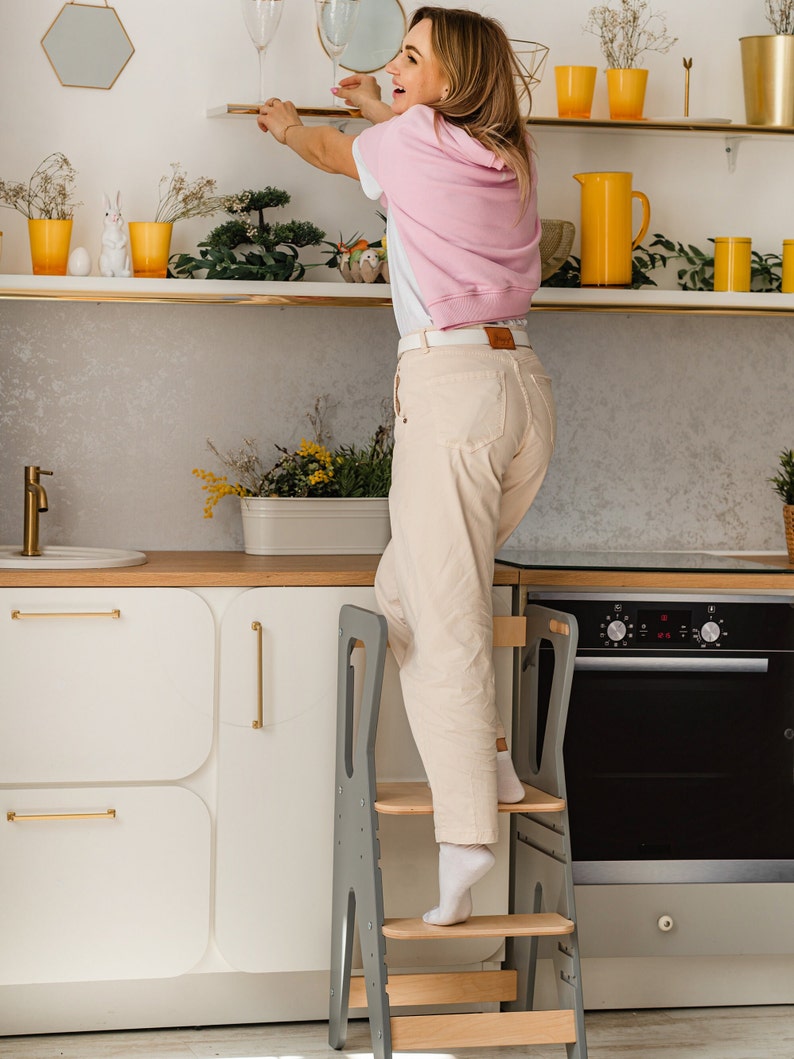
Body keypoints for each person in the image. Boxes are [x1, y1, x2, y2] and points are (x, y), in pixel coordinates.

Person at [258, 6, 556, 926]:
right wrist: (380, 103)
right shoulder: (502, 158)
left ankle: (466, 831)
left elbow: (327, 154)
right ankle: (495, 758)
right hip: (523, 393)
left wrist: (289, 128)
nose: (394, 64)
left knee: (445, 618)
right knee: (409, 589)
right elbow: (405, 146)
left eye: (411, 55)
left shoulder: (412, 140)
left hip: (453, 390)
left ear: (451, 83)